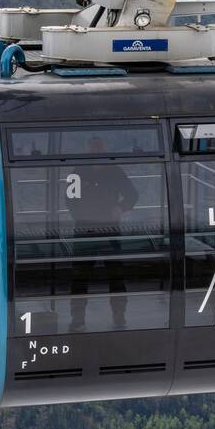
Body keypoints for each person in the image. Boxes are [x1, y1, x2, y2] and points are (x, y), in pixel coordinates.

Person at [66, 138, 139, 330]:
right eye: (93, 149)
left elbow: (132, 195)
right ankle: (78, 317)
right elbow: (69, 199)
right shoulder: (80, 171)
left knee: (115, 275)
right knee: (81, 275)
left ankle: (118, 314)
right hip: (87, 229)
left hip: (106, 229)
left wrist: (121, 208)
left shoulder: (112, 171)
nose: (95, 153)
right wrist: (83, 217)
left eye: (97, 149)